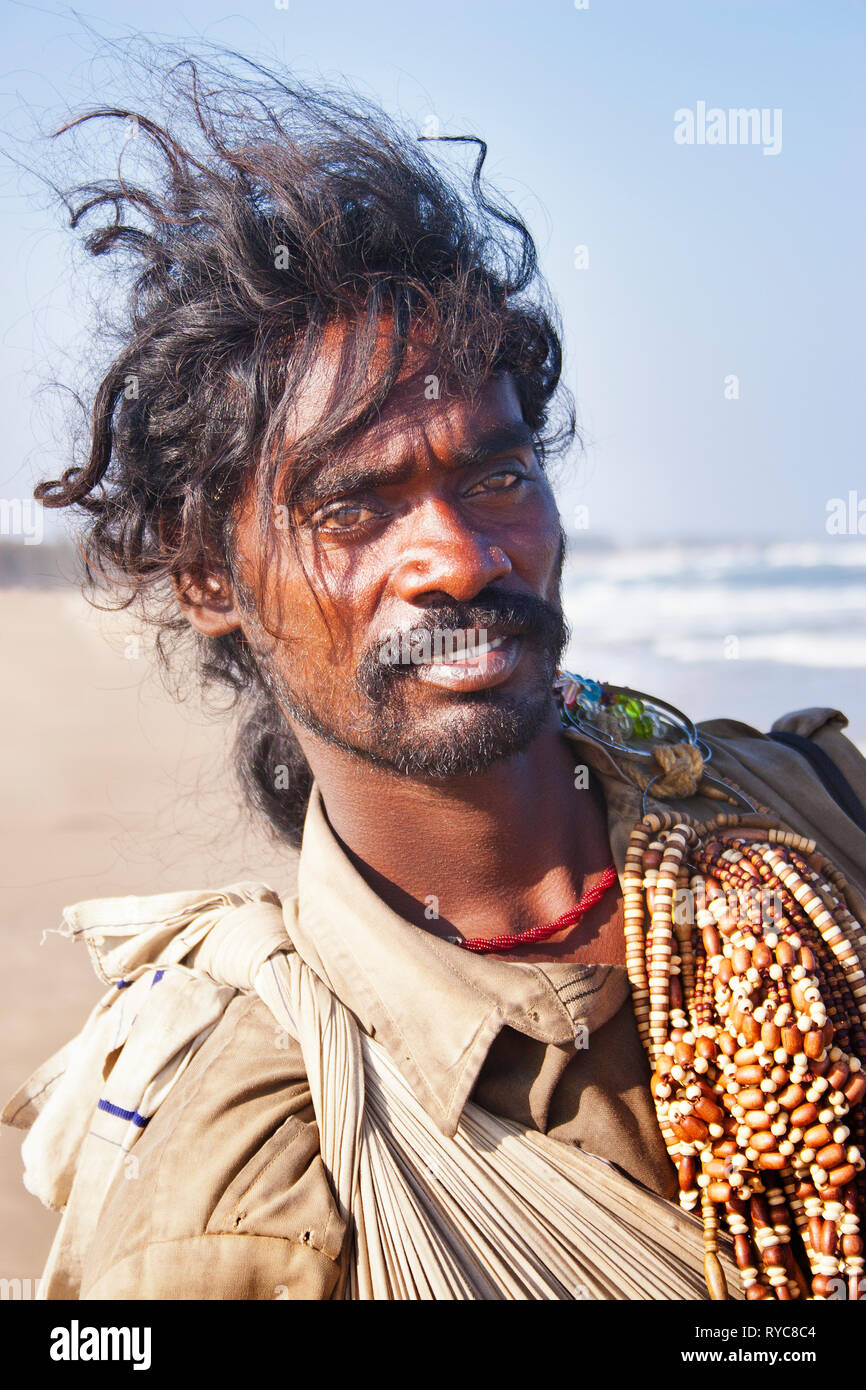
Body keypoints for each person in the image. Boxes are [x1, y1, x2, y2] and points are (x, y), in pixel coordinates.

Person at [5, 49, 866, 1302]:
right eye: (353, 507)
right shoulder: (254, 1170)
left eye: (497, 478)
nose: (460, 558)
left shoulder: (804, 815)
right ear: (205, 577)